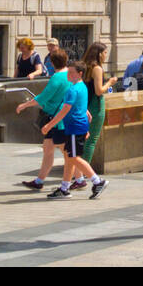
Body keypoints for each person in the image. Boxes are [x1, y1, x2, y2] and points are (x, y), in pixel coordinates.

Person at [42, 62, 108, 199]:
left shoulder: (73, 90)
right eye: (68, 72)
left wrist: (49, 125)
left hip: (73, 127)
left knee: (73, 158)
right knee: (70, 158)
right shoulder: (82, 87)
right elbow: (82, 108)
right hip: (78, 127)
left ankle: (97, 181)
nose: (69, 75)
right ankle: (64, 188)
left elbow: (64, 111)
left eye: (72, 72)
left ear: (80, 74)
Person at [15, 47, 69, 190]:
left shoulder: (57, 78)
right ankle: (39, 181)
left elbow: (43, 98)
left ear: (51, 62)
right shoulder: (71, 75)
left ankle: (85, 179)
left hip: (56, 119)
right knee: (48, 149)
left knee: (67, 152)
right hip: (61, 118)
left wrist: (24, 105)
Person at [76, 42, 112, 181]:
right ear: (99, 54)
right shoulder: (97, 68)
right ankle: (84, 172)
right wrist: (110, 83)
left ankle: (78, 170)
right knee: (91, 140)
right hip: (95, 106)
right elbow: (99, 90)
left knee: (82, 139)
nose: (105, 55)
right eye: (104, 53)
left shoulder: (84, 66)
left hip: (84, 104)